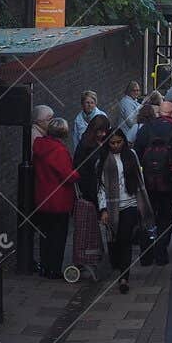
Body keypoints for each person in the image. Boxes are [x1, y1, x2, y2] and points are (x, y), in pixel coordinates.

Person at [94, 127, 145, 293]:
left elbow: (139, 179)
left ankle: (124, 278)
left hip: (129, 203)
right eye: (112, 143)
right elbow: (100, 188)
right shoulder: (102, 159)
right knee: (115, 240)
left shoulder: (132, 155)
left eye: (119, 142)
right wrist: (103, 210)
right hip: (111, 205)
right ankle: (118, 265)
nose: (116, 145)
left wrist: (141, 202)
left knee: (125, 240)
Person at [134, 99, 172, 265]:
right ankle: (161, 254)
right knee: (166, 216)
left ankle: (146, 256)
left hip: (147, 184)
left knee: (147, 216)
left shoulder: (145, 129)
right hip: (169, 184)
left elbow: (137, 153)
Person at [33, 117, 77, 278]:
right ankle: (54, 269)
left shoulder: (39, 146)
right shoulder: (58, 150)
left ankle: (44, 266)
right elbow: (67, 175)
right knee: (58, 236)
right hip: (58, 199)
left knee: (45, 234)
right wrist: (77, 173)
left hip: (42, 196)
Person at [70, 114, 112, 277]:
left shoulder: (100, 142)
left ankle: (96, 255)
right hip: (91, 191)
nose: (102, 134)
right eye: (99, 131)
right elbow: (81, 170)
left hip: (100, 189)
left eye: (104, 130)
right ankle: (89, 256)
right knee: (92, 225)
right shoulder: (86, 145)